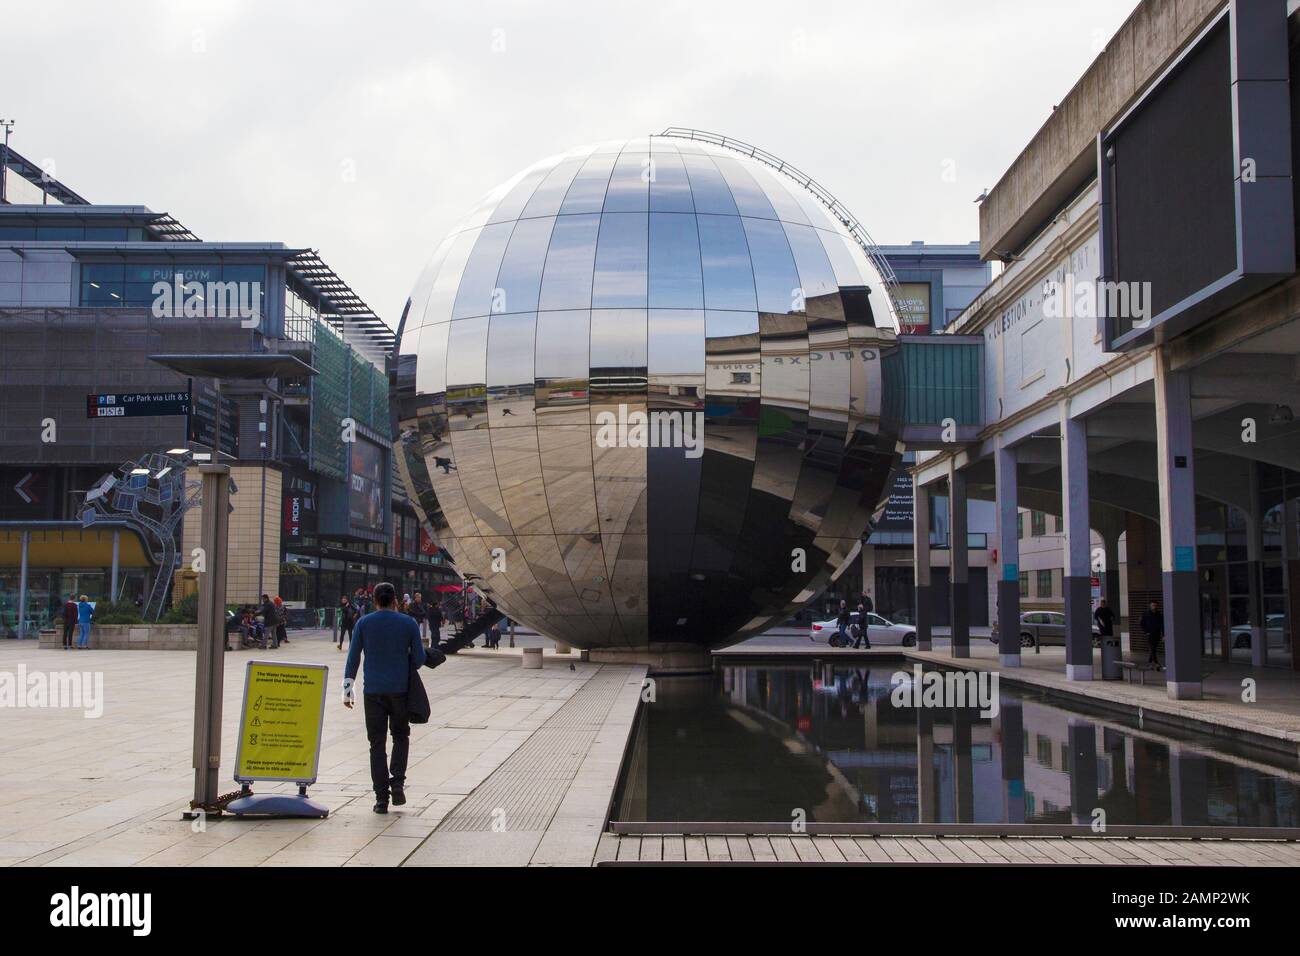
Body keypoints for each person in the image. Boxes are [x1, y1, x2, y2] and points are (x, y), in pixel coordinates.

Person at [343, 582, 425, 814]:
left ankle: (381, 799)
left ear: (375, 600)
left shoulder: (364, 623)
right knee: (400, 736)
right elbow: (419, 660)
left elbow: (353, 658)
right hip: (400, 691)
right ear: (396, 600)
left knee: (376, 744)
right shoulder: (408, 623)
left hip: (373, 693)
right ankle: (397, 783)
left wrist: (348, 690)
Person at [1139, 600, 1164, 669]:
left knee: (1154, 648)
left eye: (1155, 605)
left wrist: (1163, 635)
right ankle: (1156, 663)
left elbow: (1162, 625)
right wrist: (1146, 631)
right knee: (1152, 648)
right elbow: (1141, 624)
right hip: (1149, 634)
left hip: (1157, 633)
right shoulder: (1146, 614)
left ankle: (1150, 663)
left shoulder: (1159, 614)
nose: (1154, 607)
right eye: (1153, 605)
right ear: (1150, 606)